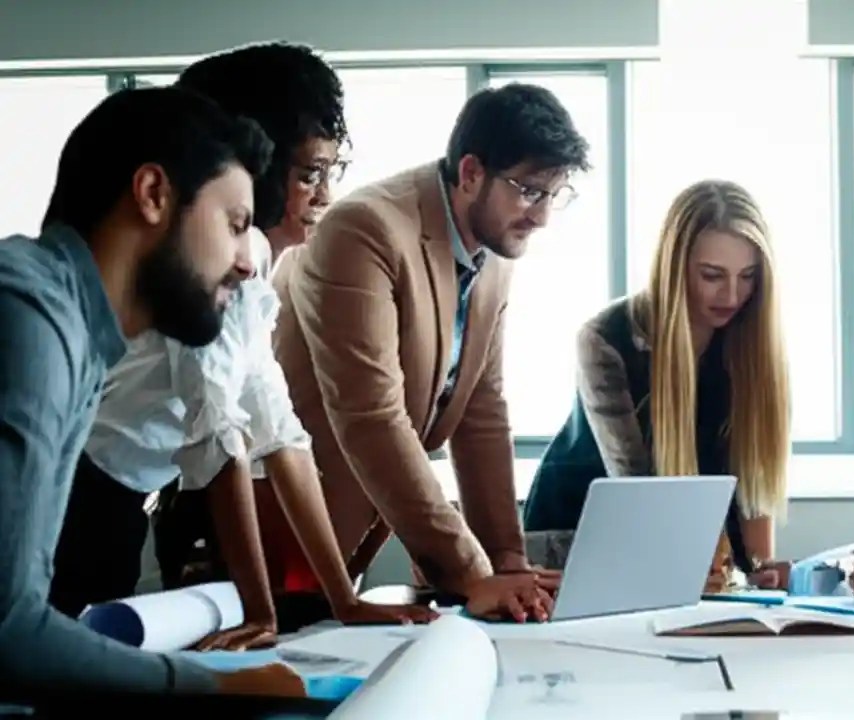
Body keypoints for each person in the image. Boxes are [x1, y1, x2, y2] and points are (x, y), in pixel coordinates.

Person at [48, 42, 433, 648]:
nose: (326, 196)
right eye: (309, 174)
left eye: (331, 171)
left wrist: (344, 600)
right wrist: (261, 612)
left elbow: (279, 434)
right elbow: (219, 437)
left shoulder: (253, 269)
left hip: (115, 498)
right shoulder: (216, 266)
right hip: (80, 498)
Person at [0, 87, 303, 701]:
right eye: (234, 225)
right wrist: (218, 690)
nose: (246, 264)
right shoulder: (31, 317)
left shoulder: (78, 334)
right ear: (153, 194)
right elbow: (9, 632)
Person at [268, 82, 590, 621]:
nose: (542, 217)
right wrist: (471, 571)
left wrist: (508, 563)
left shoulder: (494, 249)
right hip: (273, 529)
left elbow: (481, 412)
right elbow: (372, 418)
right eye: (530, 192)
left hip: (344, 543)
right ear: (471, 173)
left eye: (554, 195)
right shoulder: (364, 229)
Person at [522, 180, 791, 589]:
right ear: (674, 266)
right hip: (580, 540)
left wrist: (760, 570)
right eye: (712, 275)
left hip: (694, 549)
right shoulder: (606, 339)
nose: (732, 295)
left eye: (748, 276)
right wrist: (694, 565)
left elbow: (755, 476)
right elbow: (637, 486)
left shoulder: (752, 342)